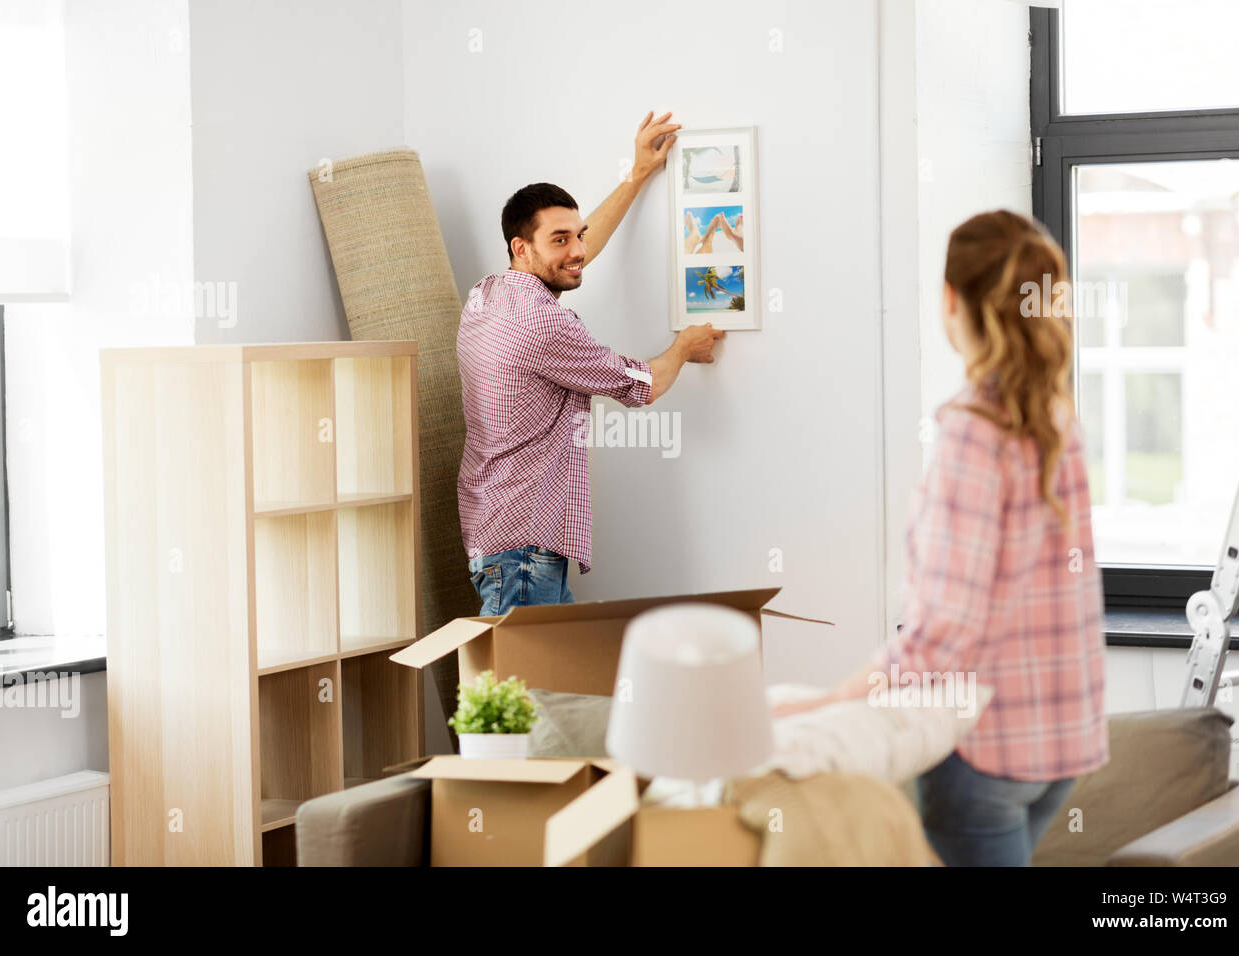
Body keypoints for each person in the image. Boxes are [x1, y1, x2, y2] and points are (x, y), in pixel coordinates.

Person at [774, 210, 1109, 866]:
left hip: (983, 746)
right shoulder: (1055, 417)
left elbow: (945, 630)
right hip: (1061, 740)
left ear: (951, 300)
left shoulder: (972, 432)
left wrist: (832, 700)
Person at [457, 111, 725, 617]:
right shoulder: (544, 327)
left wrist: (639, 172)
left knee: (550, 691)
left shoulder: (489, 294)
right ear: (521, 247)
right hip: (523, 556)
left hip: (505, 540)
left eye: (576, 235)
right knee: (529, 694)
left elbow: (572, 259)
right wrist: (684, 348)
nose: (577, 249)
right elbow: (643, 386)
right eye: (561, 238)